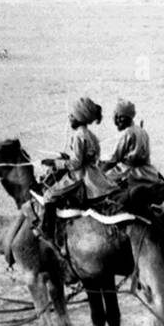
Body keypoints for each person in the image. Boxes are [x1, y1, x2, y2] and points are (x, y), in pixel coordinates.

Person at [38, 95, 113, 243]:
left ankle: (48, 233)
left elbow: (76, 164)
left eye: (72, 116)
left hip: (80, 176)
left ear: (79, 117)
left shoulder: (79, 136)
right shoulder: (91, 135)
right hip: (95, 175)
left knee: (49, 194)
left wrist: (54, 163)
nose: (69, 118)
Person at [101, 98, 163, 185]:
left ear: (120, 118)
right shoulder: (142, 131)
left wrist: (101, 171)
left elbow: (114, 158)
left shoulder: (127, 133)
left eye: (119, 117)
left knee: (103, 181)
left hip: (130, 172)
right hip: (148, 171)